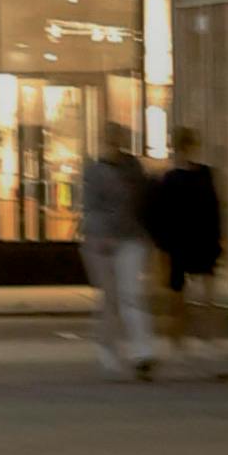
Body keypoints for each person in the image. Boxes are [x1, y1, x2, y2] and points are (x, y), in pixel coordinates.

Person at [75, 129, 156, 377]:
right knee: (110, 299)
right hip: (101, 242)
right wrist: (100, 236)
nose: (113, 146)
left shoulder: (133, 168)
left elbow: (144, 202)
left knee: (131, 294)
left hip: (131, 238)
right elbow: (90, 207)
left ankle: (142, 352)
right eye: (109, 142)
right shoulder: (94, 172)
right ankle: (108, 349)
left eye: (116, 141)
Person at [143, 122, 226, 354]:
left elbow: (162, 215)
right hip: (191, 241)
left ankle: (186, 342)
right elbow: (215, 208)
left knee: (183, 297)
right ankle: (193, 341)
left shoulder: (173, 178)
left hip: (187, 242)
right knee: (189, 297)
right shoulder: (190, 177)